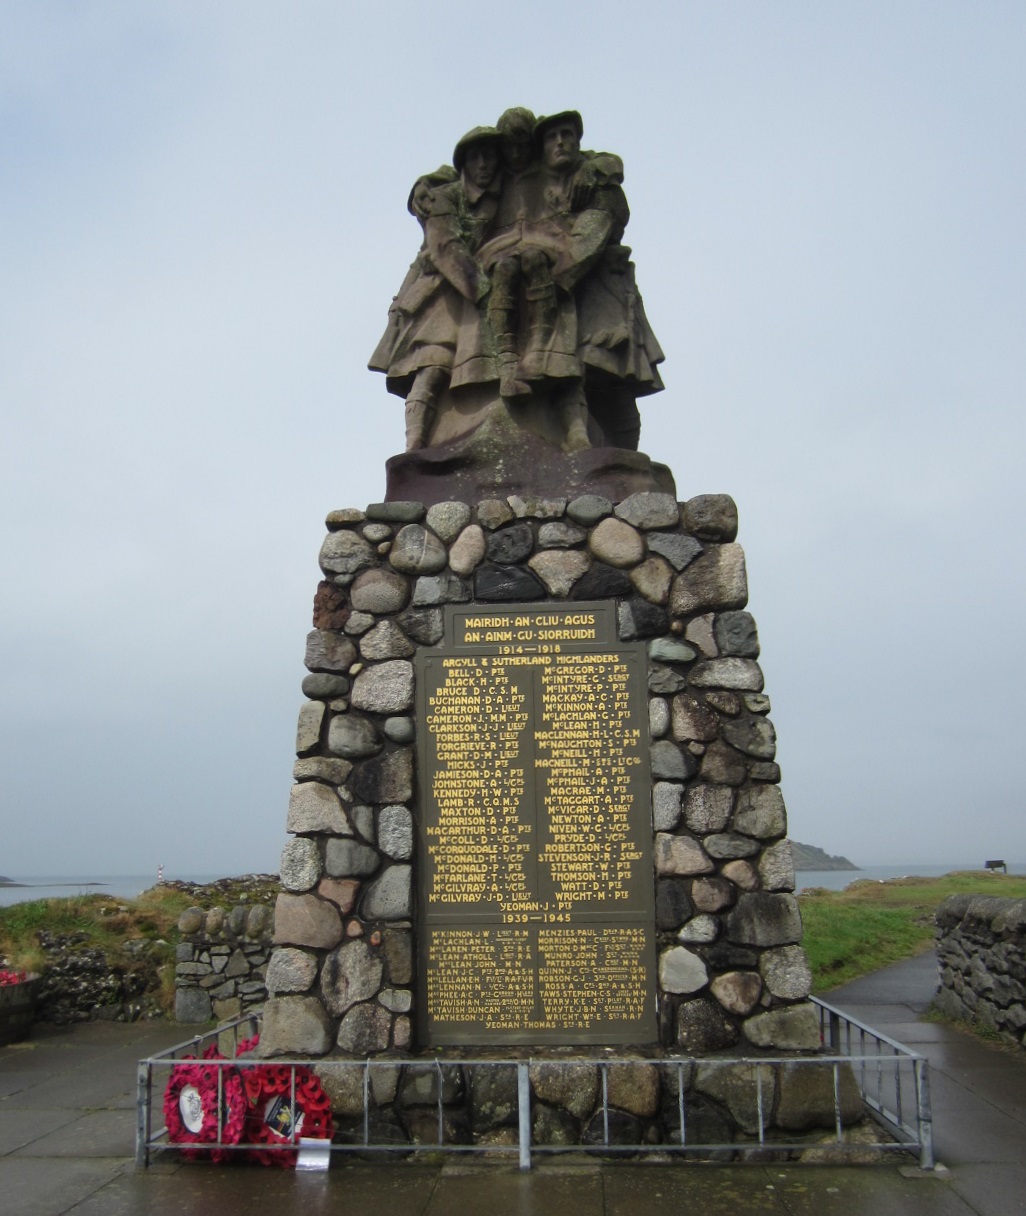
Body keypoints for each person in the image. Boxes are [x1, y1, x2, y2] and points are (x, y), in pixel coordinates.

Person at [368, 128, 502, 450]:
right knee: (432, 365)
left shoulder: (511, 192)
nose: (483, 164)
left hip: (480, 292)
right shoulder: (444, 193)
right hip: (440, 289)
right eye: (475, 157)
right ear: (463, 164)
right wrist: (482, 290)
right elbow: (444, 246)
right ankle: (415, 445)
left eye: (489, 156)